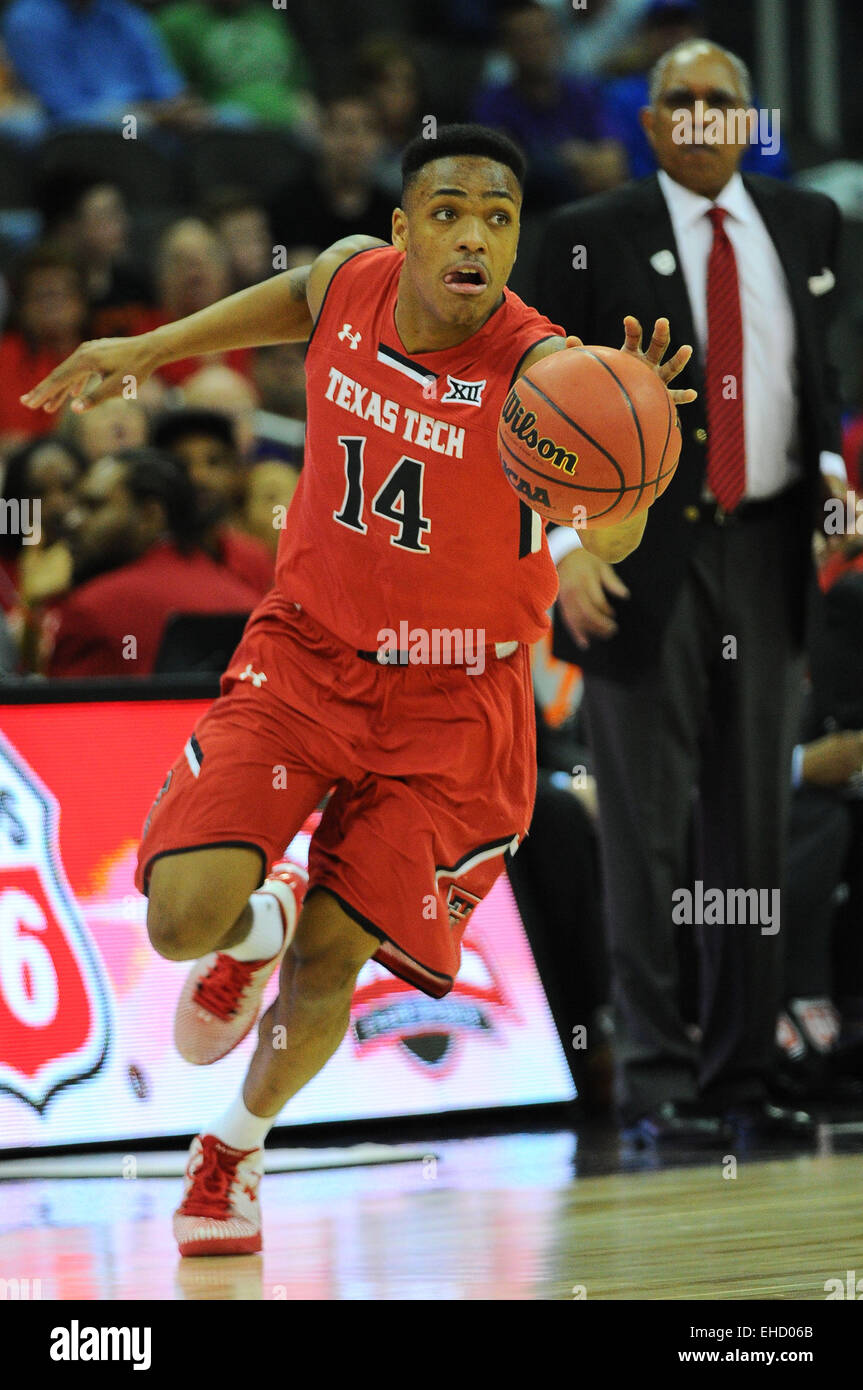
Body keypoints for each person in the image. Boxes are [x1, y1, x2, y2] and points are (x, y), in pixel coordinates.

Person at [22, 123, 694, 1256]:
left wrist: (633, 452)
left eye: (497, 219)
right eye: (448, 212)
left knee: (335, 955)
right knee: (181, 920)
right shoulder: (352, 280)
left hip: (452, 701)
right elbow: (293, 300)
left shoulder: (542, 373)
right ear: (401, 228)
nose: (472, 237)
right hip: (307, 657)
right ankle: (254, 924)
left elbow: (612, 529)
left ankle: (232, 1148)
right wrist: (153, 349)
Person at [535, 41, 845, 1144]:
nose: (703, 115)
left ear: (749, 118)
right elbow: (527, 400)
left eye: (722, 100)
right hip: (637, 554)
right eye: (682, 100)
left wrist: (830, 478)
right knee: (644, 825)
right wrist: (563, 543)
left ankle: (739, 1075)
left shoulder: (806, 222)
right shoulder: (584, 237)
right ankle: (658, 1076)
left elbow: (809, 371)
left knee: (751, 830)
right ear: (650, 121)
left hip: (766, 552)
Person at [42, 446, 260, 677]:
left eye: (94, 506)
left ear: (150, 515)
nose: (74, 521)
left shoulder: (91, 609)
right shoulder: (252, 605)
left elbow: (56, 711)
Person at [472, 1, 628, 208]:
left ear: (559, 40)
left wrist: (552, 158)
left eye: (544, 34)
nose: (536, 45)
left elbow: (613, 163)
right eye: (525, 38)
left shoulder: (583, 93)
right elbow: (500, 172)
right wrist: (568, 158)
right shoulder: (492, 104)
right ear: (507, 48)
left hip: (586, 211)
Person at [2, 0, 208, 132]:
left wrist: (183, 107)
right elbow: (63, 109)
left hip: (155, 118)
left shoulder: (123, 12)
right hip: (85, 130)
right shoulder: (30, 19)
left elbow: (165, 84)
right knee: (129, 127)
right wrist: (153, 117)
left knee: (228, 122)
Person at [151, 407, 274, 595]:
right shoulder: (137, 555)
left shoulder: (256, 560)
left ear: (237, 475)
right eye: (181, 463)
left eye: (214, 462)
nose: (198, 476)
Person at [268, 92, 394, 253]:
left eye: (368, 129)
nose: (356, 143)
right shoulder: (288, 205)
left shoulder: (390, 212)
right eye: (346, 129)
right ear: (323, 133)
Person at [0, 247, 89, 455]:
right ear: (22, 307)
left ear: (82, 302)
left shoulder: (104, 355)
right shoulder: (5, 357)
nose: (51, 305)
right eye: (40, 295)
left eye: (60, 293)